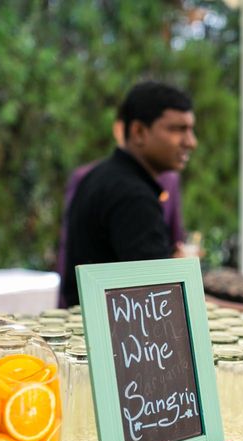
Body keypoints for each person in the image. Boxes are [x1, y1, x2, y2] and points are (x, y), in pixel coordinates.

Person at [62, 81, 196, 307]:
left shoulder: (102, 176)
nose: (191, 142)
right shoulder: (133, 196)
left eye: (191, 130)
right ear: (139, 132)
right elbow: (161, 299)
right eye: (177, 129)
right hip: (111, 335)